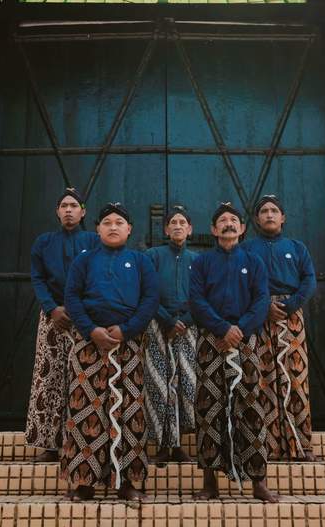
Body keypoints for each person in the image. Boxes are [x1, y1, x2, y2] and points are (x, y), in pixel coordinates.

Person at [61, 202, 158, 501]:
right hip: (89, 342)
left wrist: (126, 330)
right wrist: (91, 330)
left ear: (129, 229)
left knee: (129, 411)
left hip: (127, 343)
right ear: (98, 229)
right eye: (106, 222)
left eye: (119, 222)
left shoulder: (141, 262)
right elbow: (72, 298)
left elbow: (150, 299)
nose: (113, 226)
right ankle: (83, 482)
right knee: (84, 411)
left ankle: (128, 483)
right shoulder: (84, 261)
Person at [189, 202, 279, 503]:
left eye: (233, 220)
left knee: (251, 407)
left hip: (246, 341)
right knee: (208, 408)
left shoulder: (254, 263)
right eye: (222, 221)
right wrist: (220, 329)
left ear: (241, 228)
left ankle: (258, 481)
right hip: (211, 342)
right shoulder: (202, 263)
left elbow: (261, 299)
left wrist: (239, 329)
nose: (228, 224)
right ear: (214, 230)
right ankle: (209, 482)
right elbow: (197, 301)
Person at [24, 187, 99, 461]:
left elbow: (97, 276)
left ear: (83, 211)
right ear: (57, 211)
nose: (69, 210)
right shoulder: (44, 243)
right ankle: (50, 445)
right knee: (50, 378)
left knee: (83, 377)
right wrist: (52, 308)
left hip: (85, 318)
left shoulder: (93, 241)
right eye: (64, 205)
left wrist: (81, 308)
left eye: (74, 205)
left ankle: (79, 442)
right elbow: (38, 278)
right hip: (53, 319)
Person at [245, 194, 319, 461]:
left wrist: (289, 306)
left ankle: (301, 445)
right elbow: (243, 284)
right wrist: (263, 307)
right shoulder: (248, 249)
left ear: (283, 217)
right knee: (262, 378)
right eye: (263, 211)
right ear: (256, 219)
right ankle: (268, 446)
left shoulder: (296, 247)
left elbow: (309, 280)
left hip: (291, 316)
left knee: (295, 377)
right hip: (258, 315)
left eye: (274, 210)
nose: (269, 215)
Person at [144, 205, 200, 464]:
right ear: (166, 229)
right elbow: (147, 291)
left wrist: (185, 321)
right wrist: (167, 319)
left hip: (188, 327)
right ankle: (164, 447)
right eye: (173, 222)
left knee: (185, 384)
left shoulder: (198, 260)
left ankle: (178, 444)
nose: (178, 226)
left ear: (190, 229)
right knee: (160, 383)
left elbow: (202, 296)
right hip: (158, 326)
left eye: (182, 222)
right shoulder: (153, 256)